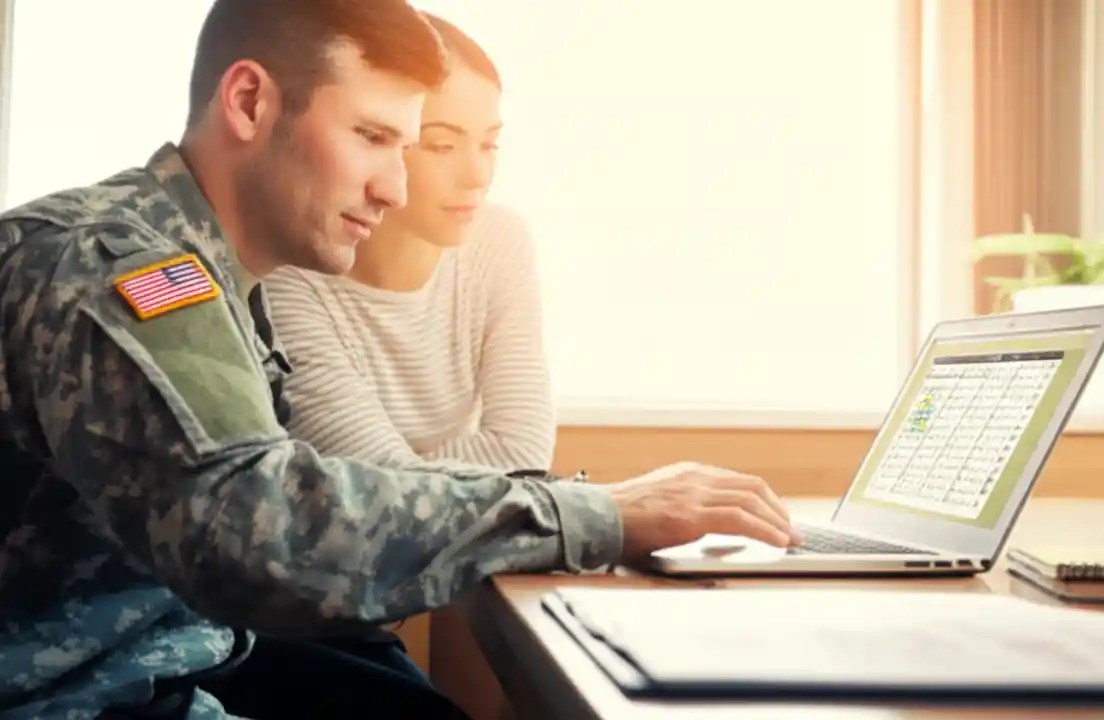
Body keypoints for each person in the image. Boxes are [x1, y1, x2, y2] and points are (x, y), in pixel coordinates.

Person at [0, 1, 800, 719]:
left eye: (408, 146)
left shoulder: (217, 275)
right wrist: (600, 517)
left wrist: (588, 507)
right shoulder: (119, 268)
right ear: (249, 102)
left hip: (168, 657)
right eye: (372, 137)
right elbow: (254, 530)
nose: (392, 187)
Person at [264, 12, 552, 472]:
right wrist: (405, 475)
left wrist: (406, 471)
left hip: (473, 532)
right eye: (441, 146)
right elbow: (373, 488)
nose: (477, 176)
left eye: (489, 144)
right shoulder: (291, 277)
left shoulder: (499, 240)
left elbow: (521, 453)